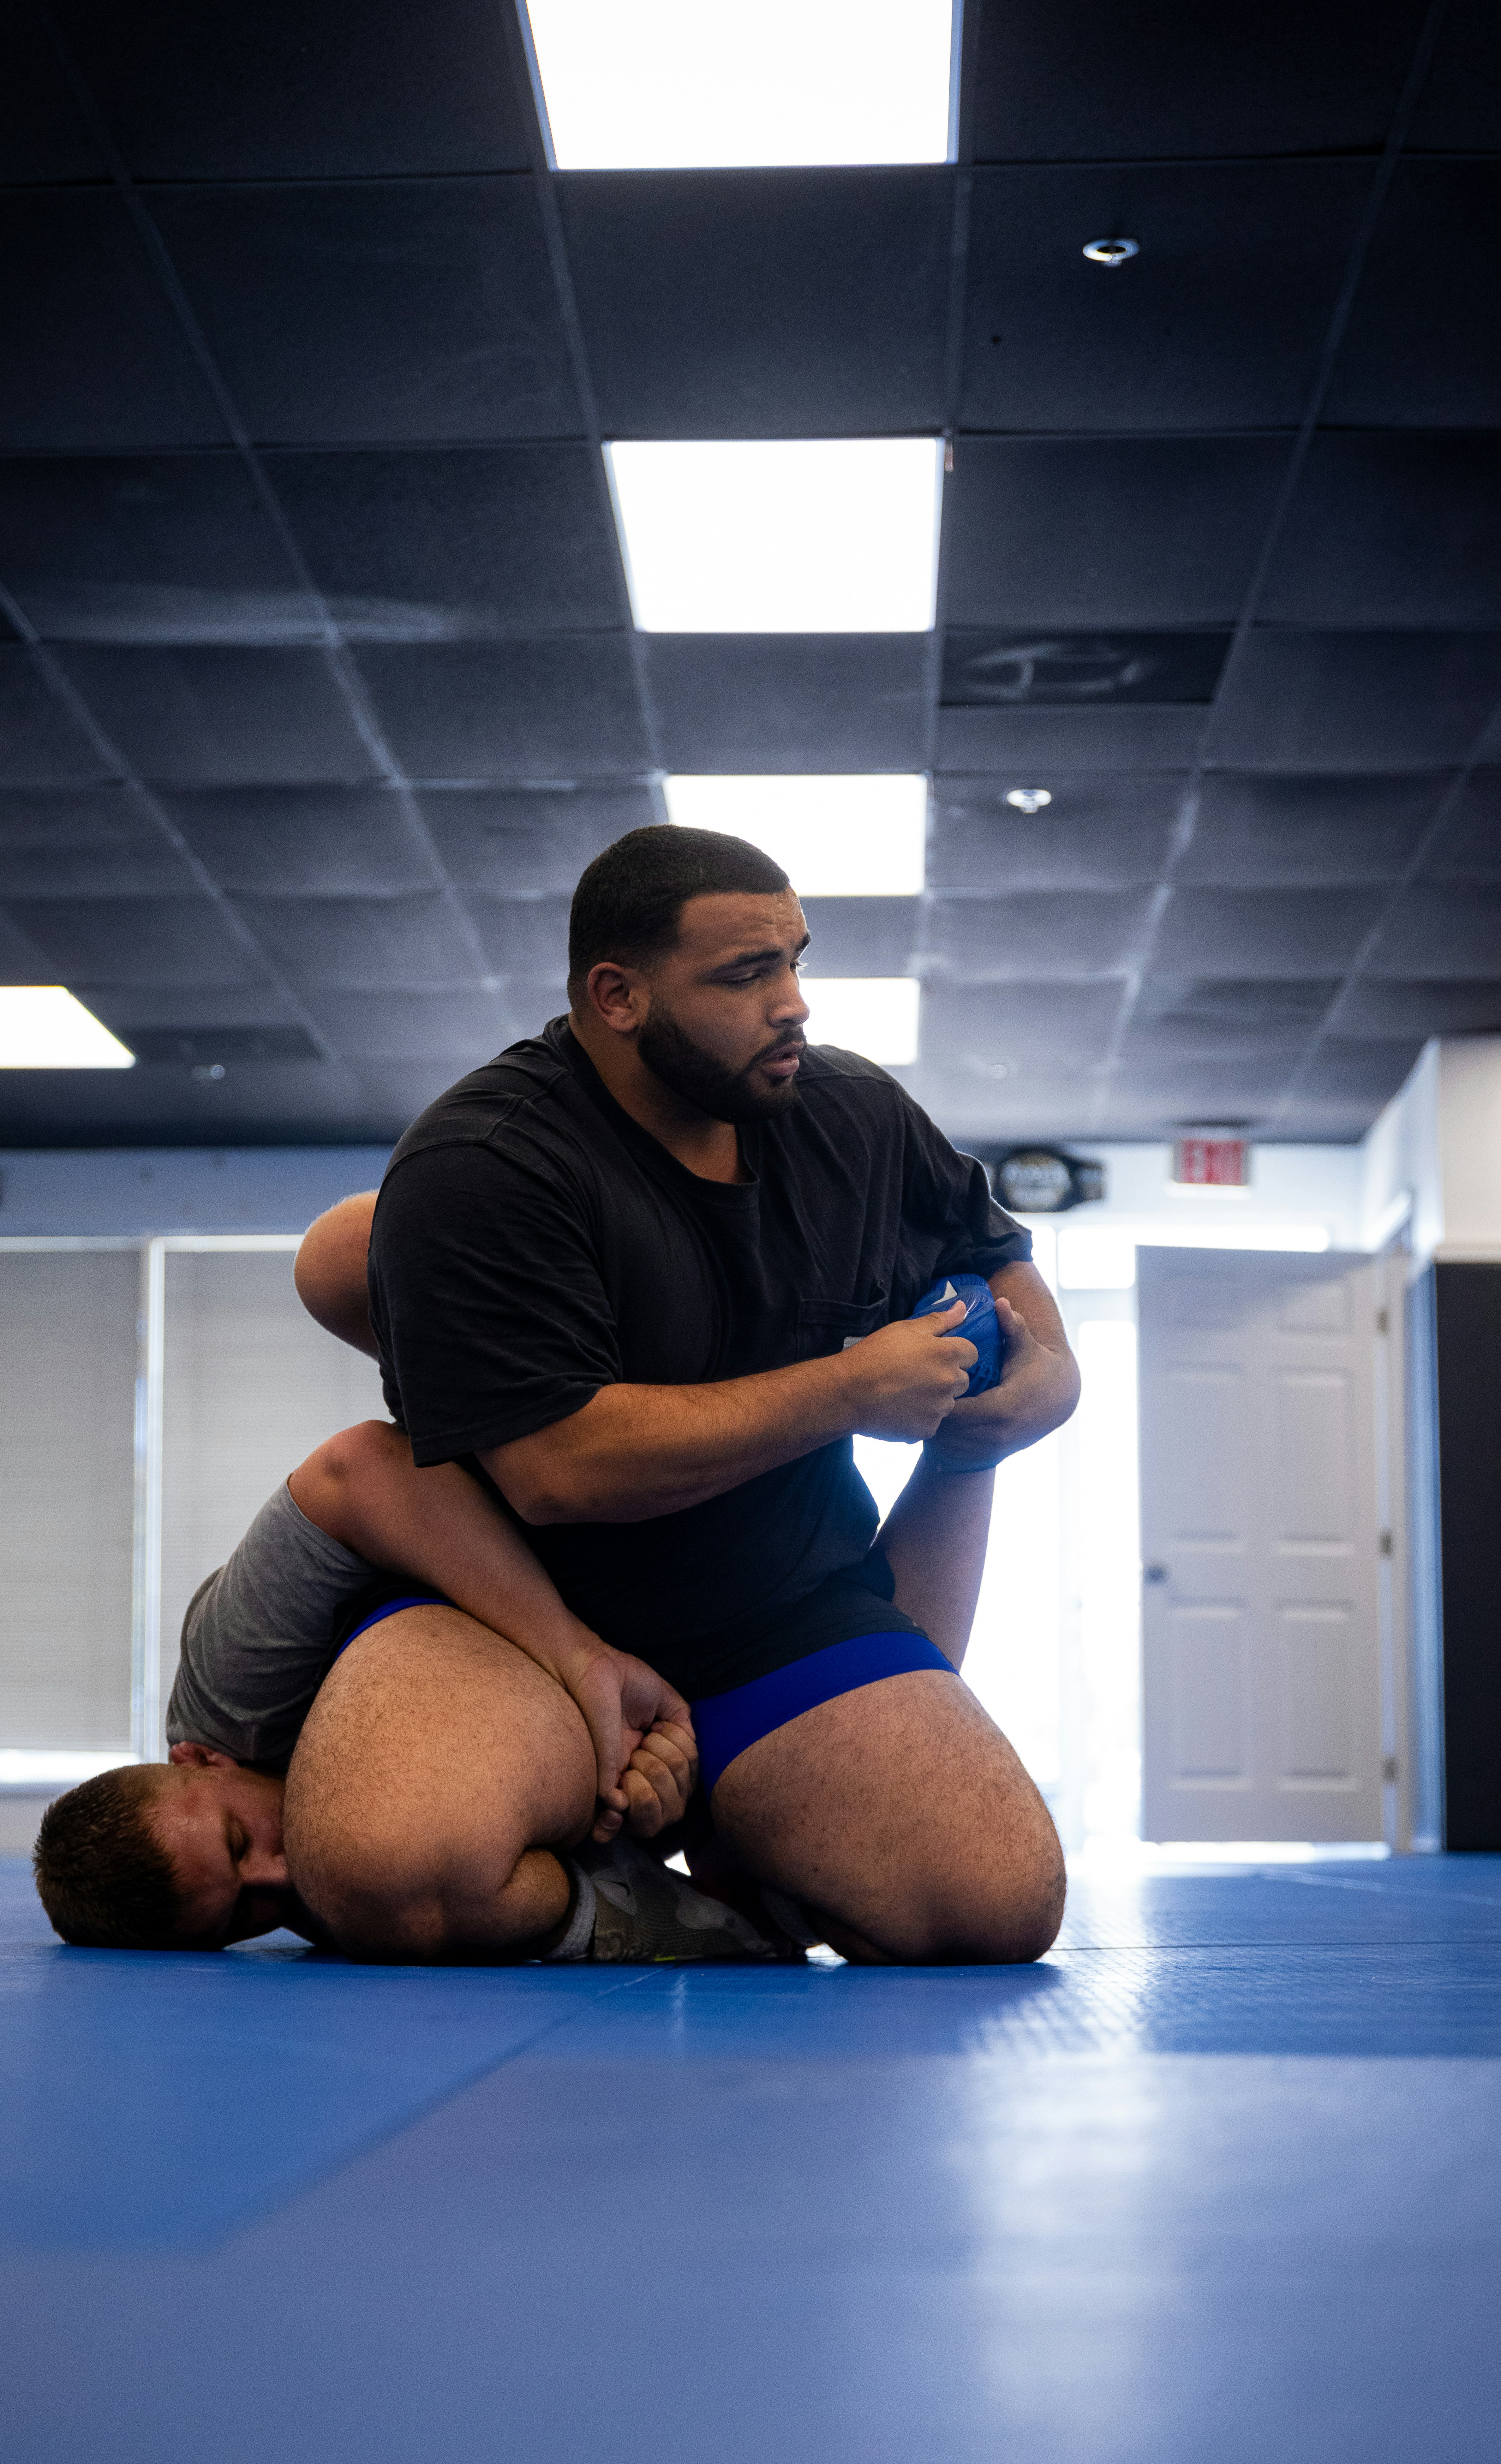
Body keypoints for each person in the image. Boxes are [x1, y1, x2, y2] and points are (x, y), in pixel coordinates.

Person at [293, 822, 1081, 1968]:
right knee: (395, 1884)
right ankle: (634, 1900)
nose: (794, 1004)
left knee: (990, 1912)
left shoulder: (854, 1116)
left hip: (776, 1614)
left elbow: (991, 1245)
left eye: (797, 960)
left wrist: (1049, 1377)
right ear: (617, 995)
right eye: (744, 974)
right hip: (520, 1620)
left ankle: (741, 1824)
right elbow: (560, 1472)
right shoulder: (487, 1163)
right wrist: (851, 1387)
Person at [32, 1414, 789, 1965]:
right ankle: (716, 1920)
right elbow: (553, 1810)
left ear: (199, 1760)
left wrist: (581, 1658)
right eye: (242, 1915)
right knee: (874, 1914)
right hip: (642, 1673)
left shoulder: (231, 1693)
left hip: (597, 1541)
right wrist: (645, 1807)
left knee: (334, 1263)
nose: (279, 1874)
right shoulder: (332, 1895)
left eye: (239, 1842)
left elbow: (360, 1466)